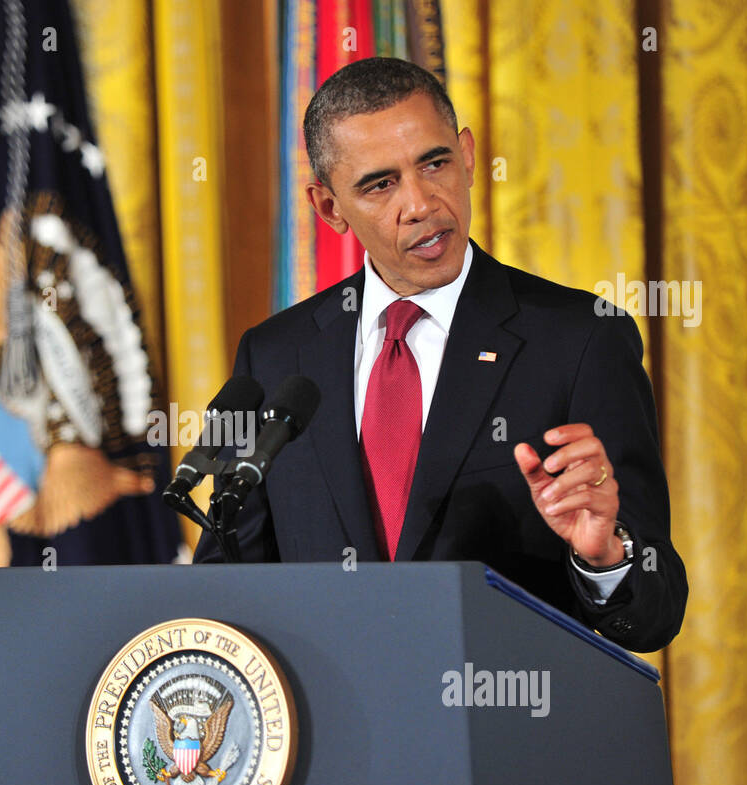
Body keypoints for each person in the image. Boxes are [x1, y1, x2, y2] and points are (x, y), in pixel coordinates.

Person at [192, 57, 687, 654]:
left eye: (435, 163)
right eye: (380, 185)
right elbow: (228, 584)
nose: (421, 202)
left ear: (469, 155)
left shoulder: (579, 340)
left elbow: (655, 613)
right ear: (329, 208)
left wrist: (605, 557)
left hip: (504, 728)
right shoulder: (274, 357)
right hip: (328, 734)